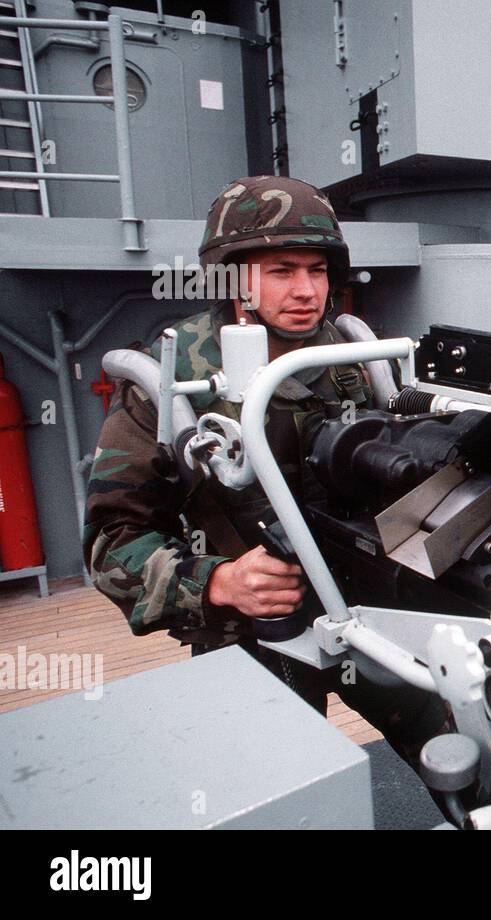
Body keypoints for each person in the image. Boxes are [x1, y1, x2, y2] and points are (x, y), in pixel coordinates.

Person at [83, 176, 445, 759]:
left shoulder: (353, 360)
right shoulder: (170, 385)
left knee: (457, 754)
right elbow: (110, 541)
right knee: (282, 788)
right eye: (282, 270)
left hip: (370, 612)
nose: (307, 291)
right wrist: (219, 581)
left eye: (317, 270)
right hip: (256, 634)